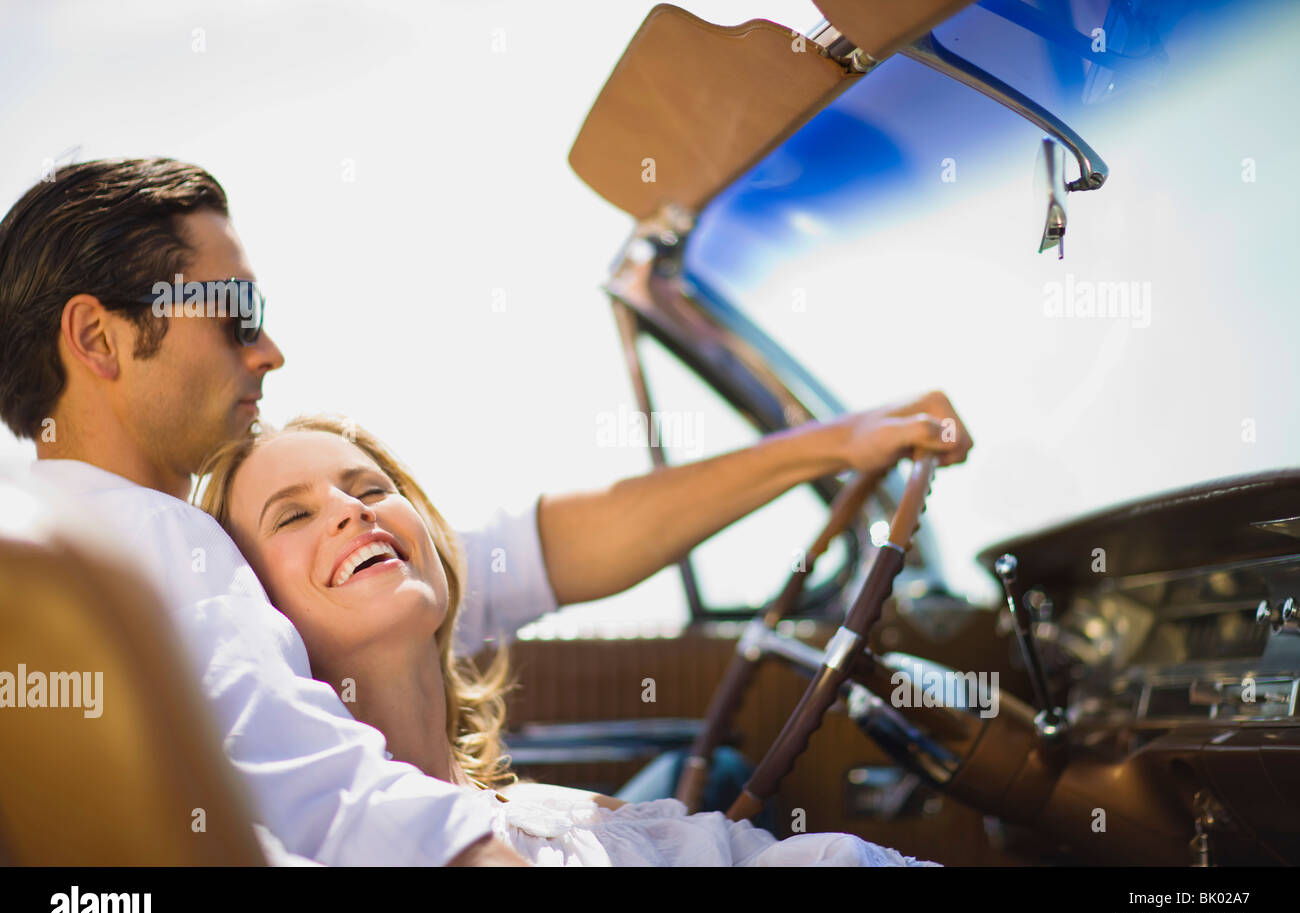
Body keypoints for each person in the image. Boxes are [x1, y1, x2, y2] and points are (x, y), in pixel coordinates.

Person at [0, 157, 972, 865]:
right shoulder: (137, 551)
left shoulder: (174, 555)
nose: (269, 352)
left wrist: (831, 442)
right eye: (237, 317)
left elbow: (534, 549)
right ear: (97, 336)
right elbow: (342, 809)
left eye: (370, 492)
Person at [195, 414, 940, 866]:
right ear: (251, 608)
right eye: (291, 517)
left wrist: (844, 440)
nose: (348, 511)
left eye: (369, 490)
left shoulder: (558, 816)